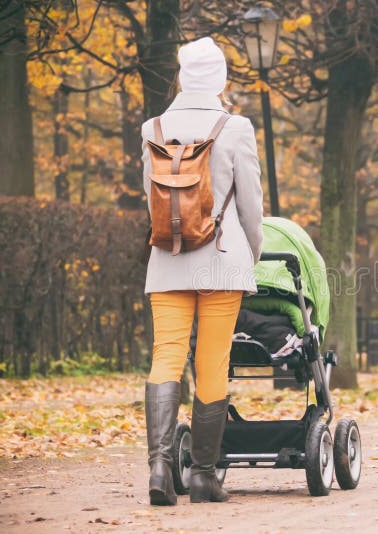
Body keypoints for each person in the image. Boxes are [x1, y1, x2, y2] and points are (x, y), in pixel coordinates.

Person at [140, 37, 263, 506]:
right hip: (222, 261)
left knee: (166, 356)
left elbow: (147, 200)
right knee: (211, 363)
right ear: (220, 78)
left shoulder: (151, 127)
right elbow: (251, 205)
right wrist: (251, 255)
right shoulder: (235, 127)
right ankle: (204, 477)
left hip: (167, 259)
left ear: (181, 77)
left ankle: (159, 465)